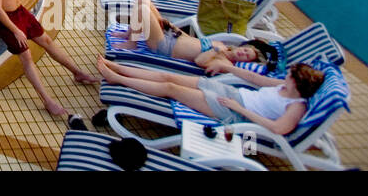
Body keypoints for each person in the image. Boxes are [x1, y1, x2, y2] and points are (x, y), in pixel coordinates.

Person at [96, 56, 324, 137]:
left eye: (291, 76)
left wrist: (240, 108)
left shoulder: (297, 106)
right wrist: (228, 67)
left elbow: (277, 129)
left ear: (298, 83)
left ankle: (119, 79)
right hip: (233, 93)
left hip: (233, 110)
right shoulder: (284, 85)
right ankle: (118, 67)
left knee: (170, 88)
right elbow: (258, 80)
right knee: (170, 76)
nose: (287, 77)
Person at [119, 0, 278, 71]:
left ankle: (132, 43)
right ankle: (129, 34)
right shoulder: (224, 46)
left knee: (142, 11)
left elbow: (200, 60)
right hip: (172, 36)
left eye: (246, 56)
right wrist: (173, 28)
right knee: (143, 0)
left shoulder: (225, 62)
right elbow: (192, 41)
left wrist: (216, 51)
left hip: (164, 46)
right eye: (246, 50)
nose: (243, 53)